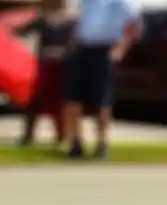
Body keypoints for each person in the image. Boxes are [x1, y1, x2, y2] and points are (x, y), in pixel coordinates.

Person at [61, 0, 142, 159]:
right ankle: (76, 143)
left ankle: (102, 143)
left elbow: (135, 24)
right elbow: (78, 20)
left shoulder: (122, 3)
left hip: (104, 48)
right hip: (81, 47)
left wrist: (121, 48)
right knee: (72, 98)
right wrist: (72, 43)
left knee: (102, 99)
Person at [19, 0, 74, 148]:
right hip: (44, 65)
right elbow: (22, 31)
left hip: (62, 66)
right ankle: (28, 136)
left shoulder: (70, 21)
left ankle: (62, 135)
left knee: (59, 101)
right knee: (36, 98)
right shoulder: (42, 19)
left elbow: (74, 43)